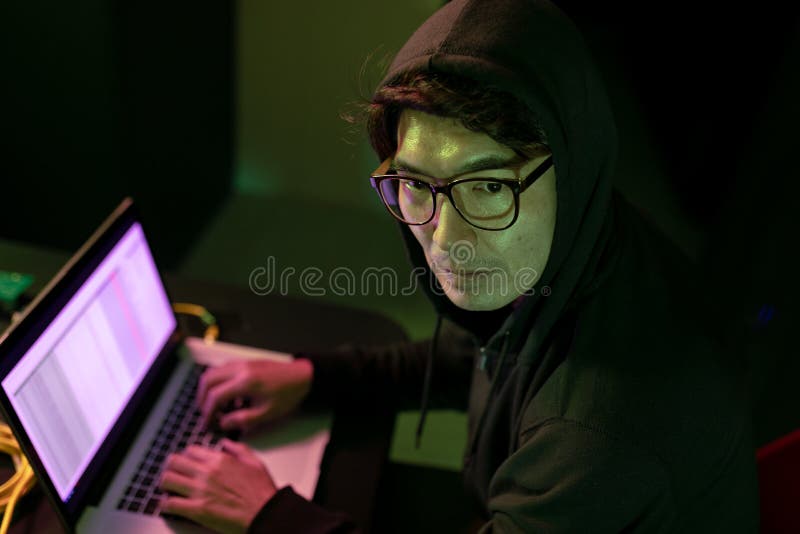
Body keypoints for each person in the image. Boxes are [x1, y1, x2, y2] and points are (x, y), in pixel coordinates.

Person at [159, 0, 759, 531]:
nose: (448, 240)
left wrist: (272, 518)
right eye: (416, 185)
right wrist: (318, 379)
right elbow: (482, 352)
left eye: (491, 187)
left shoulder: (600, 438)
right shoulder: (591, 236)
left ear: (572, 164)